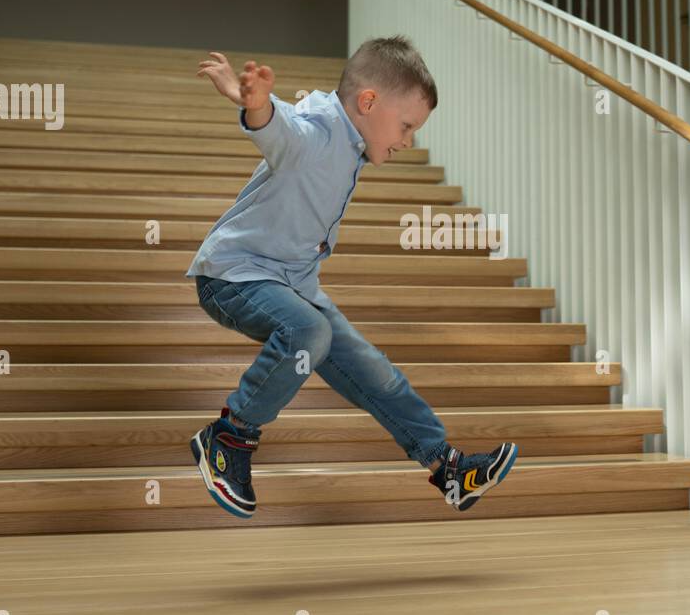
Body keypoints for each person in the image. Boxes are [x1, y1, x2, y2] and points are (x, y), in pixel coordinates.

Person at [186, 36, 517, 519]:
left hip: (291, 285)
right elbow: (285, 131)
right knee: (308, 330)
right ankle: (229, 437)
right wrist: (256, 106)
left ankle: (447, 468)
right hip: (234, 275)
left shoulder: (349, 142)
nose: (407, 141)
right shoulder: (321, 130)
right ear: (368, 102)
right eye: (406, 126)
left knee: (375, 371)